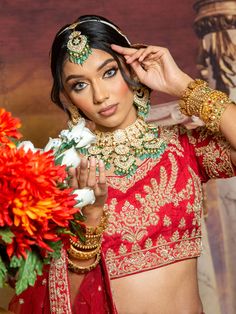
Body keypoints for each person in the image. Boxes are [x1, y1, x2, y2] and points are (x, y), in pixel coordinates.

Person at [9, 14, 236, 314]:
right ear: (68, 98)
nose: (100, 95)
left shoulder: (182, 147)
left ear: (131, 70)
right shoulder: (66, 174)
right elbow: (56, 300)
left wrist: (182, 84)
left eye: (109, 72)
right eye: (80, 85)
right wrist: (90, 217)